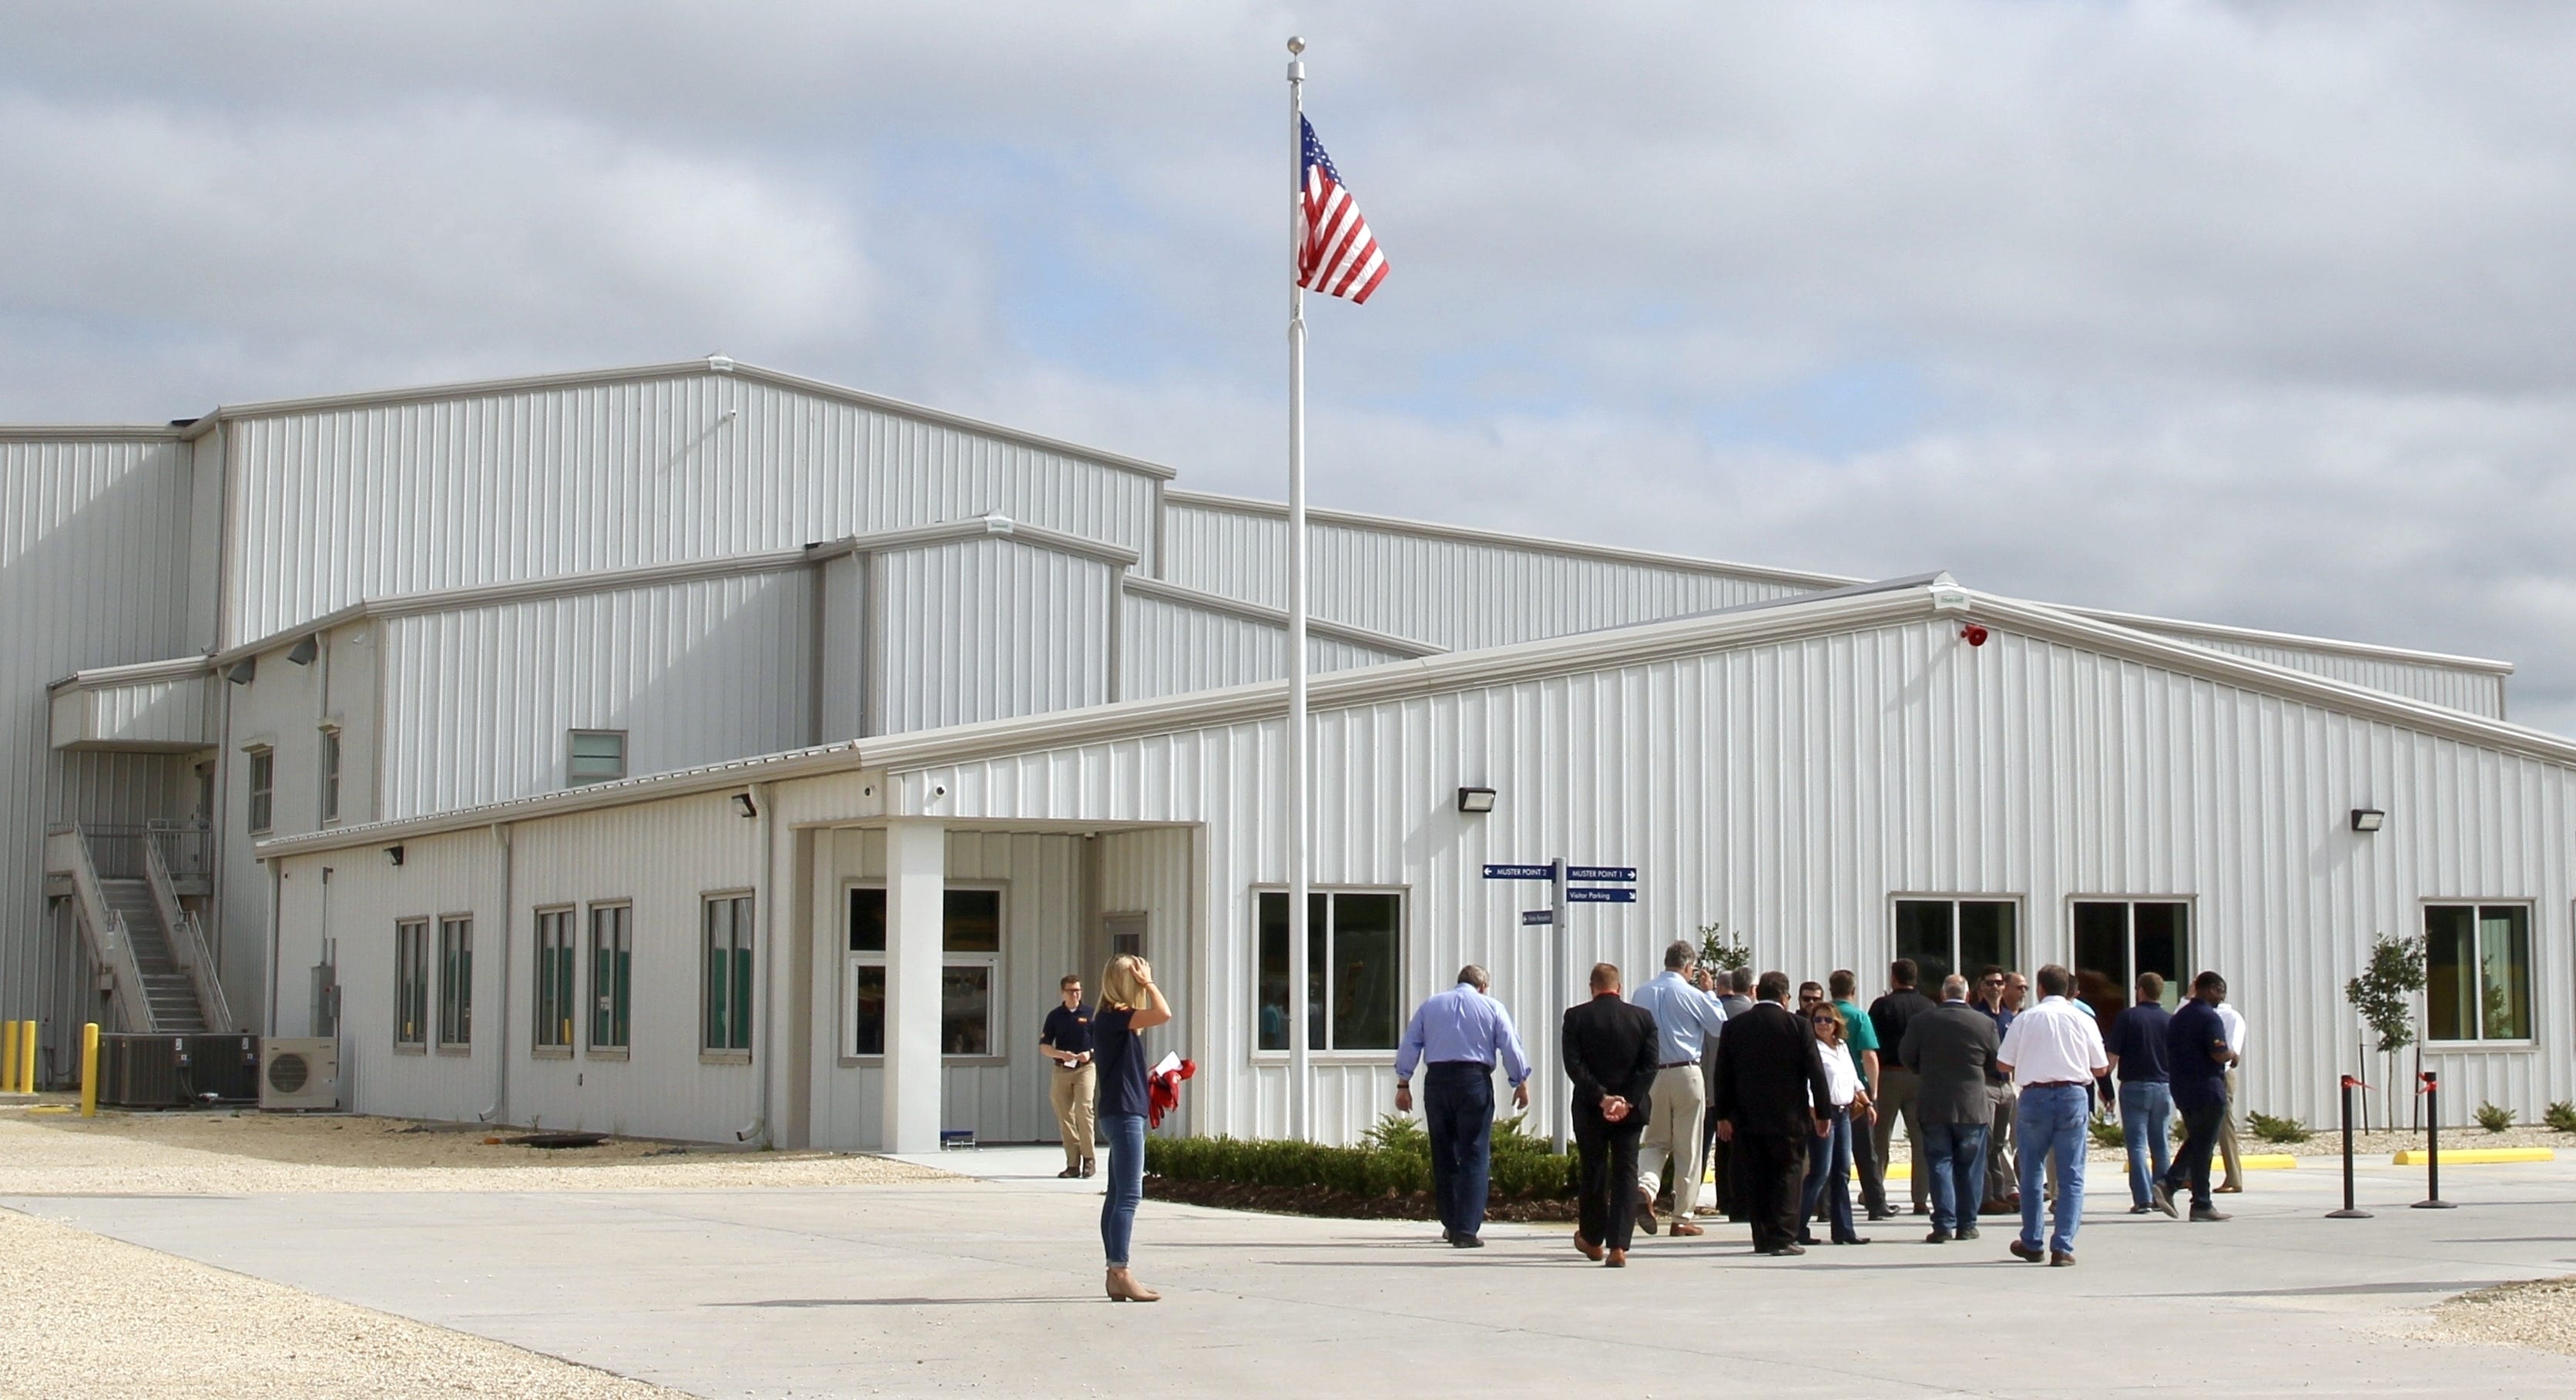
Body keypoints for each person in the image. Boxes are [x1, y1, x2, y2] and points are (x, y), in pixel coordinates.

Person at [1394, 964, 1534, 1249]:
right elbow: (1509, 1044)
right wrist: (1519, 1081)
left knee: (1443, 1151)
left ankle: (1450, 1222)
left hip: (1437, 1081)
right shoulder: (1491, 1007)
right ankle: (1467, 1229)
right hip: (1473, 1080)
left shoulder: (1431, 1005)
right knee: (1474, 1151)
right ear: (1482, 986)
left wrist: (1403, 1083)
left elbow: (1411, 1043)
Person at [1710, 971, 1833, 1257]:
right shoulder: (1798, 1026)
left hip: (1747, 1117)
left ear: (1756, 992)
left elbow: (1722, 1075)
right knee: (1788, 1176)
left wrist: (1724, 1115)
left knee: (1756, 1178)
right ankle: (1783, 1237)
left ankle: (1762, 1236)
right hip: (1789, 1117)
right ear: (1784, 997)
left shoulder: (1735, 1027)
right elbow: (1816, 1072)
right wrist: (1824, 1113)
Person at [1995, 964, 2108, 1266]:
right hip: (2073, 1094)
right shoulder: (2083, 1020)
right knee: (2071, 1173)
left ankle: (2032, 1241)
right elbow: (2101, 1068)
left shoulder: (2026, 1019)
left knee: (2032, 1171)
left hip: (2034, 1095)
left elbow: (2003, 1063)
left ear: (2041, 988)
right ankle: (2063, 1246)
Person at [1561, 962, 1661, 1267]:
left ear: (1591, 987)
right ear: (1619, 987)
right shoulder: (1643, 1019)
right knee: (1625, 1173)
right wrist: (1627, 1101)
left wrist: (1603, 1099)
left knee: (1593, 1172)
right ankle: (1619, 1246)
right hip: (1630, 1113)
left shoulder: (1576, 1017)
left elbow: (1574, 1065)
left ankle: (1593, 1241)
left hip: (1591, 1109)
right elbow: (1649, 1066)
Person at [1629, 941, 1728, 1236]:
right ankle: (1681, 1216)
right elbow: (1720, 1026)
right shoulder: (1692, 993)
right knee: (1689, 1146)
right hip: (1686, 1071)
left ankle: (1646, 1187)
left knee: (1655, 1142)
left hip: (1652, 1074)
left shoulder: (1642, 993)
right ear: (1689, 967)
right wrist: (1710, 991)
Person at [1094, 954, 1172, 1302]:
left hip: (1122, 1110)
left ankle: (1116, 1273)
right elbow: (1164, 1014)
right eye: (1135, 978)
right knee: (1129, 1195)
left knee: (1116, 1195)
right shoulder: (1115, 1018)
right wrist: (1150, 983)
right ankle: (1120, 1270)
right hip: (1125, 1115)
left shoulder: (1111, 1021)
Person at [1900, 975, 2001, 1244]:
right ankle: (1967, 1224)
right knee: (1970, 1167)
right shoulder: (1985, 1023)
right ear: (1968, 995)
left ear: (1942, 995)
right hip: (1971, 1105)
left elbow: (1907, 1056)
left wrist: (1927, 1071)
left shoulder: (1922, 1022)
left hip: (1934, 1102)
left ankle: (1943, 1223)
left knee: (1939, 1162)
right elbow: (1995, 1062)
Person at [2154, 971, 2239, 1224]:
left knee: (2200, 1144)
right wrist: (2232, 1054)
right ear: (2209, 989)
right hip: (2208, 1089)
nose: (2222, 997)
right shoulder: (2209, 1017)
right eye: (2220, 990)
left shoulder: (2178, 1017)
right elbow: (2217, 1053)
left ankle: (2201, 1203)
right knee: (2202, 1142)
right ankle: (2169, 1183)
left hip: (2182, 1088)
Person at [1867, 959, 1938, 1217]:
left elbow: (1873, 1042)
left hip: (1889, 1074)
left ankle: (1875, 1192)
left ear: (1894, 978)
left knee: (1880, 1136)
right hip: (1920, 1076)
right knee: (1921, 1139)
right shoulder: (1928, 1006)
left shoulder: (1882, 1006)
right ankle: (1921, 1198)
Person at [1797, 1001, 1871, 1246]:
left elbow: (1853, 1077)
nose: (1822, 1024)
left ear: (1836, 1023)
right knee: (1820, 1171)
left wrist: (1867, 1102)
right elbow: (1808, 1085)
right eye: (1817, 1020)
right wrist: (1816, 1115)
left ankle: (1844, 1230)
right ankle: (1797, 1227)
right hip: (1823, 1114)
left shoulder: (1841, 1047)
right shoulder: (1812, 1049)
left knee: (1842, 1172)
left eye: (1828, 1020)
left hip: (1844, 1114)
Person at [2104, 972, 2174, 1213]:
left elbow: (2111, 1059)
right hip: (2164, 1086)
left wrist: (2105, 1087)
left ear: (2141, 990)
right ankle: (2162, 1193)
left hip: (2134, 1086)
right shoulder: (2169, 1020)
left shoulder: (2128, 1017)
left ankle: (2143, 1199)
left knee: (2136, 1145)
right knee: (2161, 1144)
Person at [1828, 969, 1888, 1220]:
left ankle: (1826, 1206)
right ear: (1853, 991)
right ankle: (1876, 1203)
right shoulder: (1859, 1016)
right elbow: (1869, 1055)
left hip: (1830, 1089)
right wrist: (1872, 1092)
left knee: (1829, 1153)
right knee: (1865, 1152)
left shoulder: (1823, 1015)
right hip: (1856, 1090)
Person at [1706, 965, 1756, 1219]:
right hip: (1745, 1092)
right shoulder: (1752, 1013)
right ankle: (1743, 1199)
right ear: (1752, 988)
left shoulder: (1714, 1012)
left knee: (1722, 1149)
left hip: (1715, 1089)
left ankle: (1724, 1199)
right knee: (1743, 1149)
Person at [1039, 974, 1098, 1179]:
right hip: (1062, 1069)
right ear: (1063, 992)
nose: (1075, 994)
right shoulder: (1055, 1016)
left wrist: (1089, 1053)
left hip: (1085, 1069)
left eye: (1078, 990)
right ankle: (1073, 1163)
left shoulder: (1091, 1014)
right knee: (1065, 1115)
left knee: (1084, 1110)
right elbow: (1044, 1046)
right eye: (1071, 991)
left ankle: (1089, 1159)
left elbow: (1102, 1043)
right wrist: (1060, 1054)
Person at [1975, 968, 2021, 1211]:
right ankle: (1987, 1195)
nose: (1995, 987)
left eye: (1999, 983)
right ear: (1981, 987)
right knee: (1987, 1140)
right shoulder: (1977, 1015)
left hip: (2007, 1085)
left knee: (1999, 1143)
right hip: (1986, 1083)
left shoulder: (2008, 1016)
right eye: (1990, 983)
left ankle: (2001, 1191)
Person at [2213, 992, 2248, 1194]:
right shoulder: (2202, 1014)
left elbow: (2232, 1050)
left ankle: (2234, 1177)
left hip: (2222, 1073)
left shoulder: (2232, 1017)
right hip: (2206, 1075)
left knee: (2225, 1124)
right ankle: (2189, 1175)